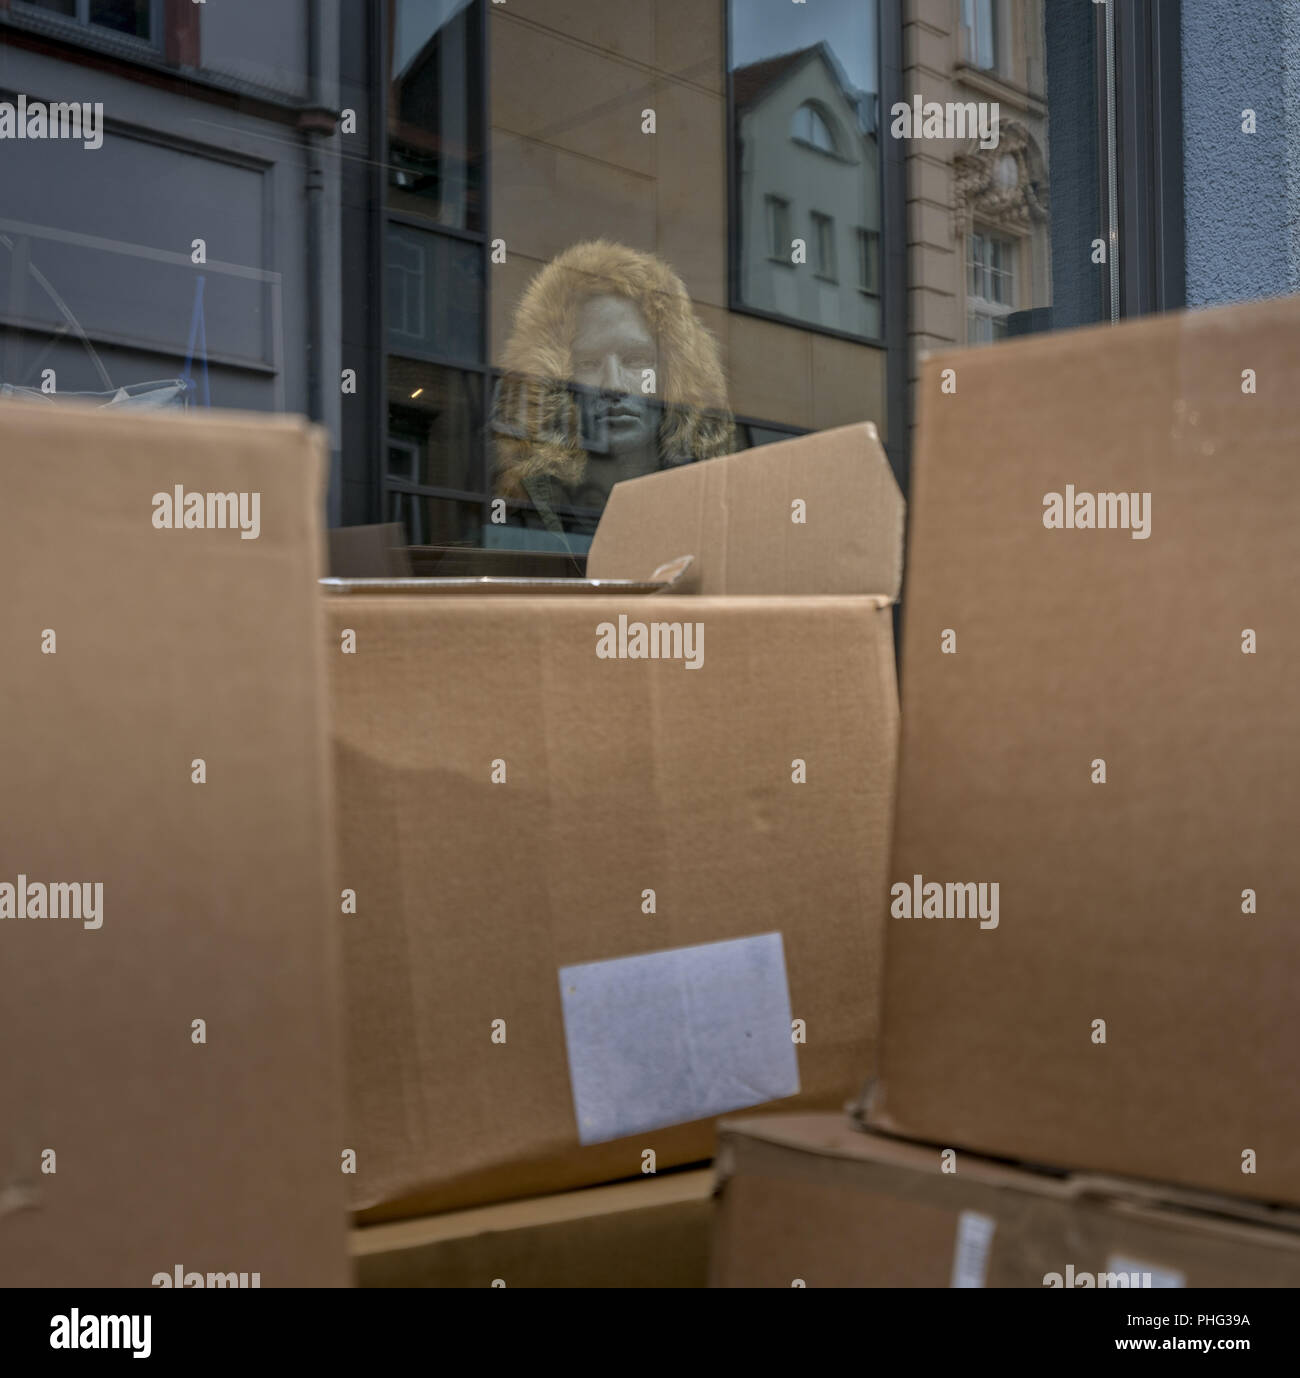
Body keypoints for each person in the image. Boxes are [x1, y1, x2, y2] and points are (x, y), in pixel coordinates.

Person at [492, 240, 734, 543]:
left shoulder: (719, 512)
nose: (614, 385)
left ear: (674, 371)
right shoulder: (519, 518)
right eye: (588, 363)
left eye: (636, 360)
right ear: (556, 379)